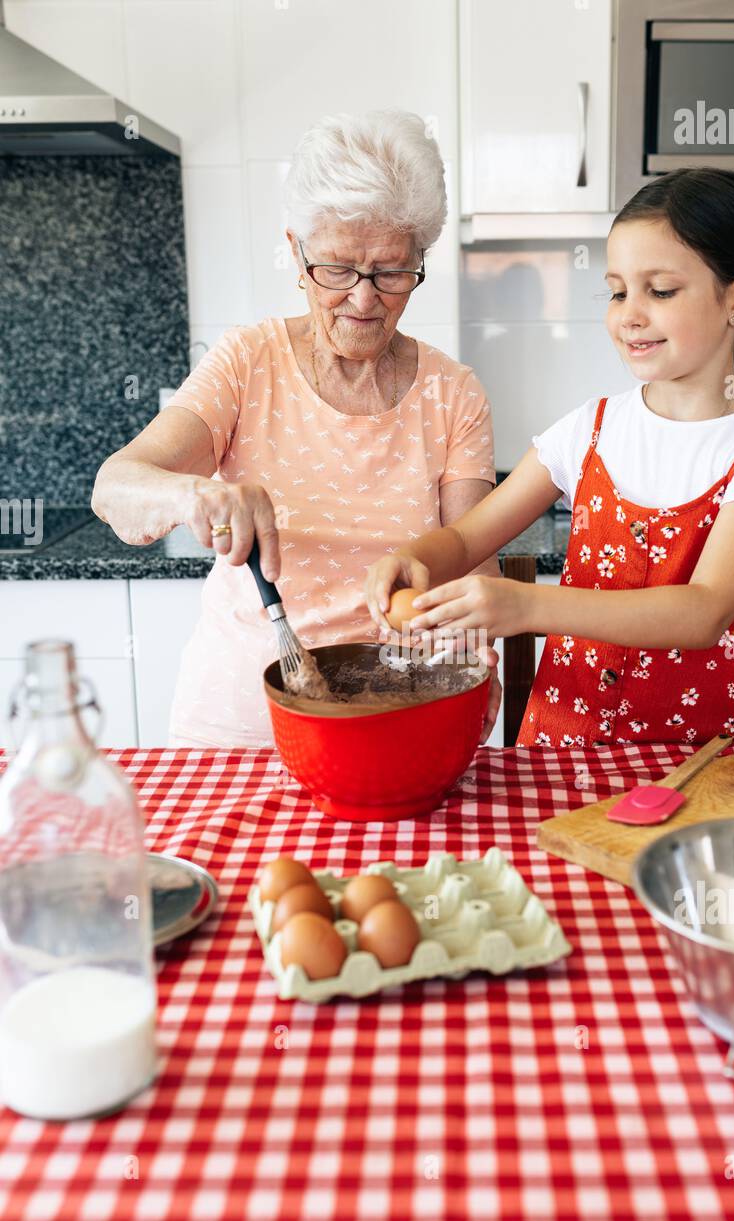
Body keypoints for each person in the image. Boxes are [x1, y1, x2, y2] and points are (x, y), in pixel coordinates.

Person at [91, 110, 502, 747]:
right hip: (238, 728)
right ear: (296, 249)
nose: (364, 300)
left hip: (394, 718)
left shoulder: (454, 394)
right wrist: (199, 495)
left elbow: (475, 571)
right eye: (336, 269)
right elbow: (116, 489)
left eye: (391, 271)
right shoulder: (246, 362)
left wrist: (473, 669)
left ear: (421, 258)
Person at [366, 168, 734, 747]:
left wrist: (525, 605)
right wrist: (412, 557)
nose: (629, 314)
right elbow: (466, 540)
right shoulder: (591, 429)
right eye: (619, 291)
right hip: (562, 751)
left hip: (704, 768)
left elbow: (703, 613)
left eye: (661, 290)